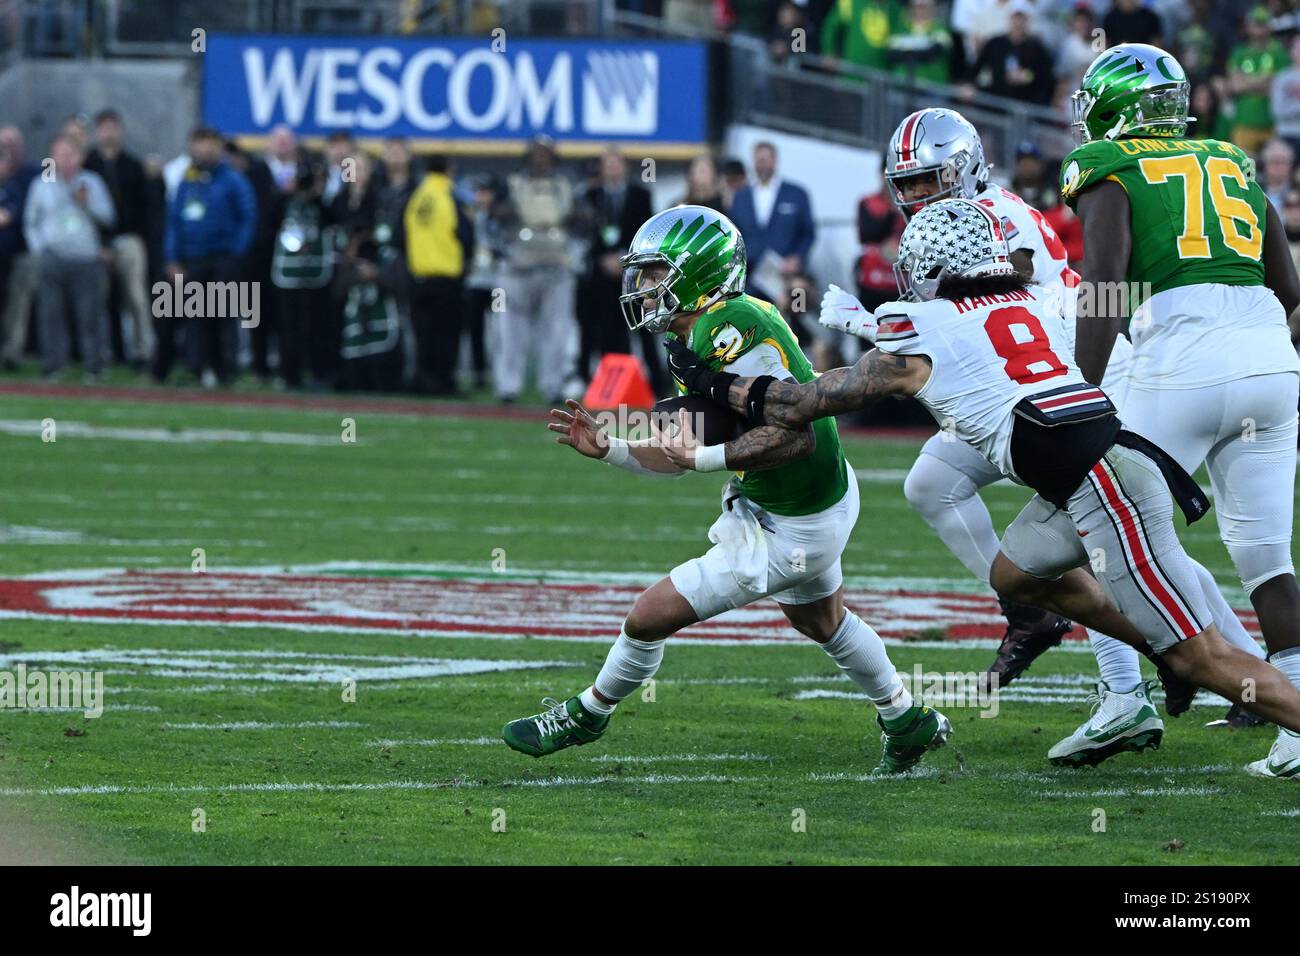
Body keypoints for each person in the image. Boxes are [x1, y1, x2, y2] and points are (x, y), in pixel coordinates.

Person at [664, 197, 1300, 761]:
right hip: (1093, 468)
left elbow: (796, 405)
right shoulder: (1028, 297)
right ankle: (1162, 648)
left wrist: (711, 381)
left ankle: (1208, 670)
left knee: (1204, 656)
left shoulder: (918, 329)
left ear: (925, 268)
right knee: (1015, 575)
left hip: (1106, 486)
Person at [501, 205, 948, 775]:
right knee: (822, 621)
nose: (644, 287)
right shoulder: (696, 330)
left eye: (656, 273)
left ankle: (589, 711)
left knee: (647, 616)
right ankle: (907, 720)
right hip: (806, 498)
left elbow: (796, 438)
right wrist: (612, 447)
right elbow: (680, 447)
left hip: (797, 519)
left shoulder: (729, 326)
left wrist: (709, 456)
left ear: (696, 274)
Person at [1065, 42, 1300, 775]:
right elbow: (1291, 286)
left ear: (1113, 107)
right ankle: (1296, 730)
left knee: (1095, 523)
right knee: (1266, 553)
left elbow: (1102, 282)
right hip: (1269, 354)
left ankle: (1125, 691)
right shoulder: (1232, 159)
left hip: (1183, 364)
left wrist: (1079, 388)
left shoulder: (1108, 165)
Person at [159, 126, 256, 387]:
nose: (204, 148)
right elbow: (174, 222)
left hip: (223, 258)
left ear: (218, 147)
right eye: (199, 142)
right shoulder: (187, 181)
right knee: (196, 317)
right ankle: (198, 368)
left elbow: (248, 218)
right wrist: (172, 259)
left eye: (209, 142)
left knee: (224, 316)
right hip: (194, 258)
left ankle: (227, 370)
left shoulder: (233, 180)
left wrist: (235, 253)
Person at [23, 134, 115, 382]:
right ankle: (53, 366)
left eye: (69, 154)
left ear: (80, 157)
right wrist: (39, 249)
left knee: (90, 315)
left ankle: (94, 368)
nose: (64, 160)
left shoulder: (92, 183)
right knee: (51, 315)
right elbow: (30, 222)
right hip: (53, 257)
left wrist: (87, 203)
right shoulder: (41, 184)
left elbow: (108, 217)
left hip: (86, 258)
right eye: (59, 154)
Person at [494, 136, 577, 404]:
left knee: (556, 330)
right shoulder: (512, 184)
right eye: (536, 154)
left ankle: (552, 386)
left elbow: (583, 219)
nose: (540, 160)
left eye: (546, 155)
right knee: (509, 331)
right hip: (518, 266)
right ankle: (509, 386)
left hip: (556, 266)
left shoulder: (565, 186)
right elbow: (494, 216)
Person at [579, 147, 661, 391]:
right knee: (603, 328)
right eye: (607, 164)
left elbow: (647, 232)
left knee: (643, 326)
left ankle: (656, 382)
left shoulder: (641, 194)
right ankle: (607, 383)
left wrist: (625, 257)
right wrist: (603, 259)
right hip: (601, 274)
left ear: (625, 167)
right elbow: (585, 233)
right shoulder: (591, 195)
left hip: (634, 272)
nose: (612, 168)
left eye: (616, 164)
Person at [84, 109, 153, 369]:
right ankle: (101, 352)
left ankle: (142, 350)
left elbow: (143, 209)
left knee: (136, 296)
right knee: (97, 299)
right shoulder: (88, 163)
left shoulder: (132, 165)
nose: (109, 132)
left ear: (120, 130)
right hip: (94, 241)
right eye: (104, 127)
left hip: (128, 237)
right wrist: (101, 244)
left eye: (113, 126)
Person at [404, 154, 471, 395]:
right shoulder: (450, 197)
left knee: (423, 334)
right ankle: (444, 382)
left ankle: (423, 380)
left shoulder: (417, 197)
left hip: (419, 276)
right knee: (447, 335)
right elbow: (465, 234)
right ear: (449, 169)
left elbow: (402, 235)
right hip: (446, 276)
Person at [727, 141, 815, 301]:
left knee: (797, 308)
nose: (762, 164)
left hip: (787, 275)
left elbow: (808, 233)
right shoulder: (741, 197)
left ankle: (796, 322)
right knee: (752, 320)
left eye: (766, 159)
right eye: (758, 159)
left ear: (775, 160)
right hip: (751, 278)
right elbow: (733, 234)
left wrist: (797, 257)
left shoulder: (796, 194)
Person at [0, 126, 40, 370]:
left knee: (18, 301)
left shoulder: (33, 171)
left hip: (23, 250)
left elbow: (53, 176)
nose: (8, 148)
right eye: (3, 143)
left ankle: (12, 352)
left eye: (12, 143)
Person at [1226, 6, 1289, 155]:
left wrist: (1247, 81)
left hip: (1271, 122)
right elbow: (1235, 86)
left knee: (1273, 167)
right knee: (1243, 168)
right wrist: (1264, 80)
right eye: (1256, 24)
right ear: (1248, 26)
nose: (1260, 29)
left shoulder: (1279, 53)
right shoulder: (1239, 52)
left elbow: (1278, 87)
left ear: (1269, 27)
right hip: (1244, 121)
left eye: (1263, 24)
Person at [968, 4, 1055, 106]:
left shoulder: (1037, 49)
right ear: (1010, 19)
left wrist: (1027, 76)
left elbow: (1045, 77)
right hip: (995, 101)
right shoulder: (995, 43)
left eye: (1022, 19)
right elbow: (977, 66)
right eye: (1016, 18)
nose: (1018, 23)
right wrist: (969, 84)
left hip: (1023, 105)